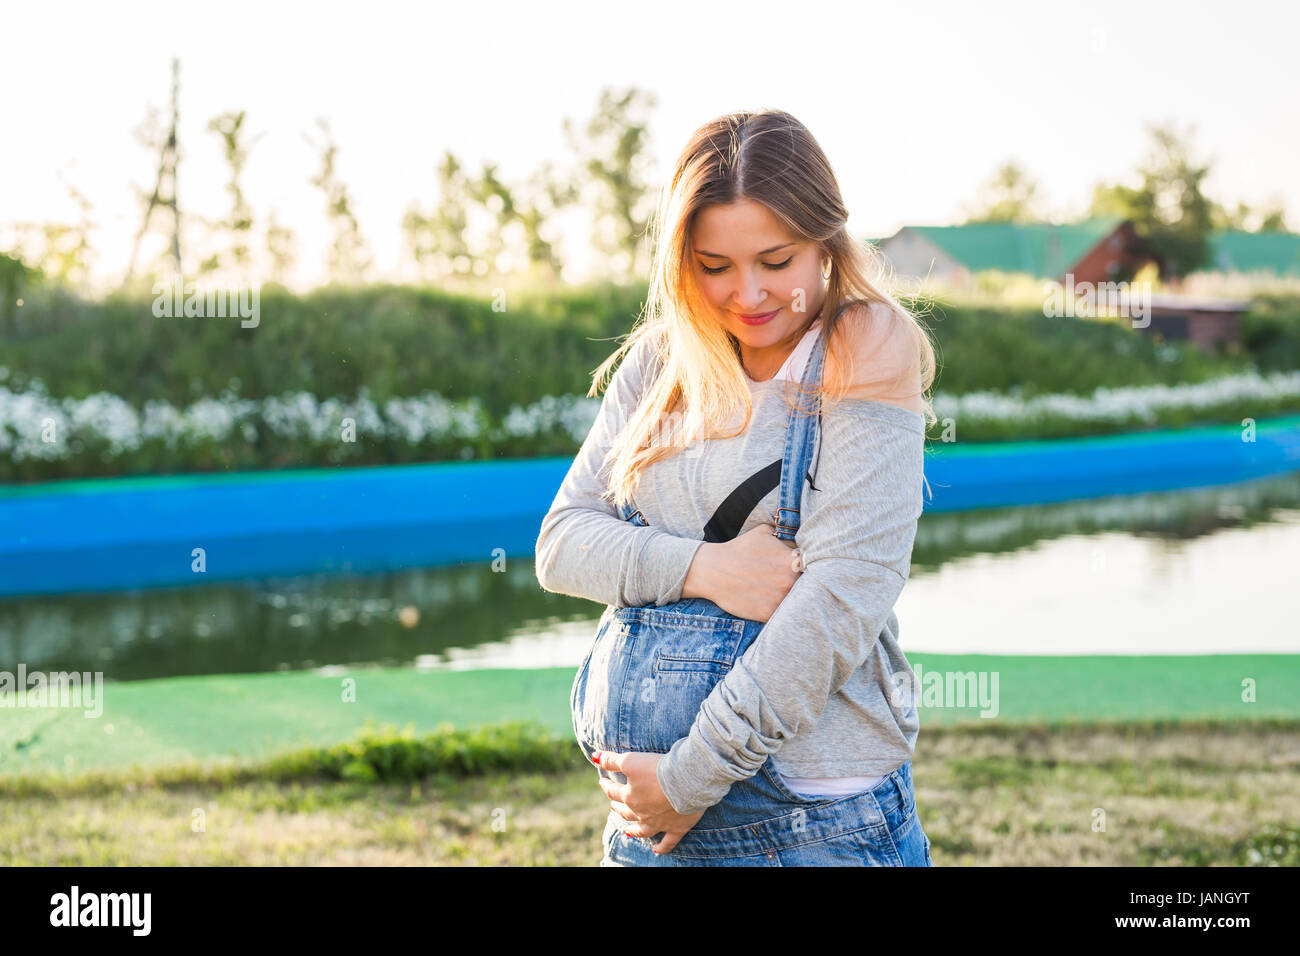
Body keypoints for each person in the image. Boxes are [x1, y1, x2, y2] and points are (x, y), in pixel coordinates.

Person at [535, 109, 938, 866]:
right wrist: (705, 568)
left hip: (812, 828)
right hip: (648, 825)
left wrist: (691, 778)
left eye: (776, 260)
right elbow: (561, 546)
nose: (747, 293)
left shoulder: (864, 347)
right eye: (714, 266)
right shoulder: (660, 363)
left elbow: (843, 600)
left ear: (826, 241)